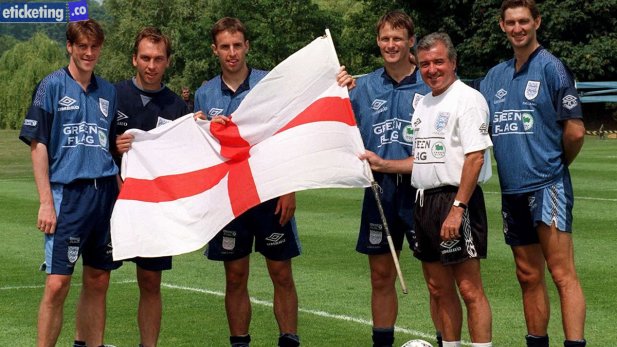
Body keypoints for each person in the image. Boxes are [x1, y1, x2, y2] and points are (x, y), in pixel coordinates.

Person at [363, 32, 494, 347]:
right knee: (438, 288)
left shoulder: (468, 99)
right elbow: (421, 160)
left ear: (453, 62)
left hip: (455, 199)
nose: (432, 69)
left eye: (438, 62)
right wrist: (382, 164)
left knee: (468, 289)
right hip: (424, 200)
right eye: (425, 64)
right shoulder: (423, 102)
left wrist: (458, 208)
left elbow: (475, 158)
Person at [479, 1, 586, 346]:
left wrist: (555, 166)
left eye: (524, 21)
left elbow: (575, 131)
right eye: (511, 22)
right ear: (502, 26)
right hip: (512, 191)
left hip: (546, 186)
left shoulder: (552, 68)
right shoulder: (493, 76)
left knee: (561, 274)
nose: (518, 28)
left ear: (536, 22)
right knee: (527, 275)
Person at [193, 17, 300, 347]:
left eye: (237, 45)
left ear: (247, 46)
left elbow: (286, 136)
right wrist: (200, 125)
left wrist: (288, 189)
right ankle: (239, 342)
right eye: (224, 47)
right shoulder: (204, 93)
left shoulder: (269, 84)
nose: (232, 52)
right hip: (228, 199)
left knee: (280, 273)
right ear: (215, 50)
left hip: (269, 192)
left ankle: (289, 340)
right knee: (235, 276)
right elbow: (201, 150)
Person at [19, 19, 119, 347]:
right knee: (58, 284)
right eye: (82, 47)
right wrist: (46, 201)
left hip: (103, 194)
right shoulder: (51, 86)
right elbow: (38, 144)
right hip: (68, 196)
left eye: (94, 47)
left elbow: (110, 149)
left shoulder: (108, 91)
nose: (89, 53)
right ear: (70, 47)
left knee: (98, 280)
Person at [346, 10, 442, 347]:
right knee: (381, 276)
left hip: (422, 193)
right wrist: (337, 87)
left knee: (436, 279)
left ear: (411, 41)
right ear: (378, 41)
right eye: (385, 38)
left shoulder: (430, 83)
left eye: (398, 39)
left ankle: (447, 340)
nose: (391, 45)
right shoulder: (363, 86)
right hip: (378, 193)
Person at [113, 27, 189, 347]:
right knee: (97, 276)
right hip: (113, 202)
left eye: (158, 59)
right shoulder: (112, 95)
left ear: (167, 62)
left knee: (150, 282)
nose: (151, 65)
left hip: (154, 209)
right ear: (134, 59)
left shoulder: (177, 107)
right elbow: (93, 148)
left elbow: (185, 158)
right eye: (145, 57)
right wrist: (114, 150)